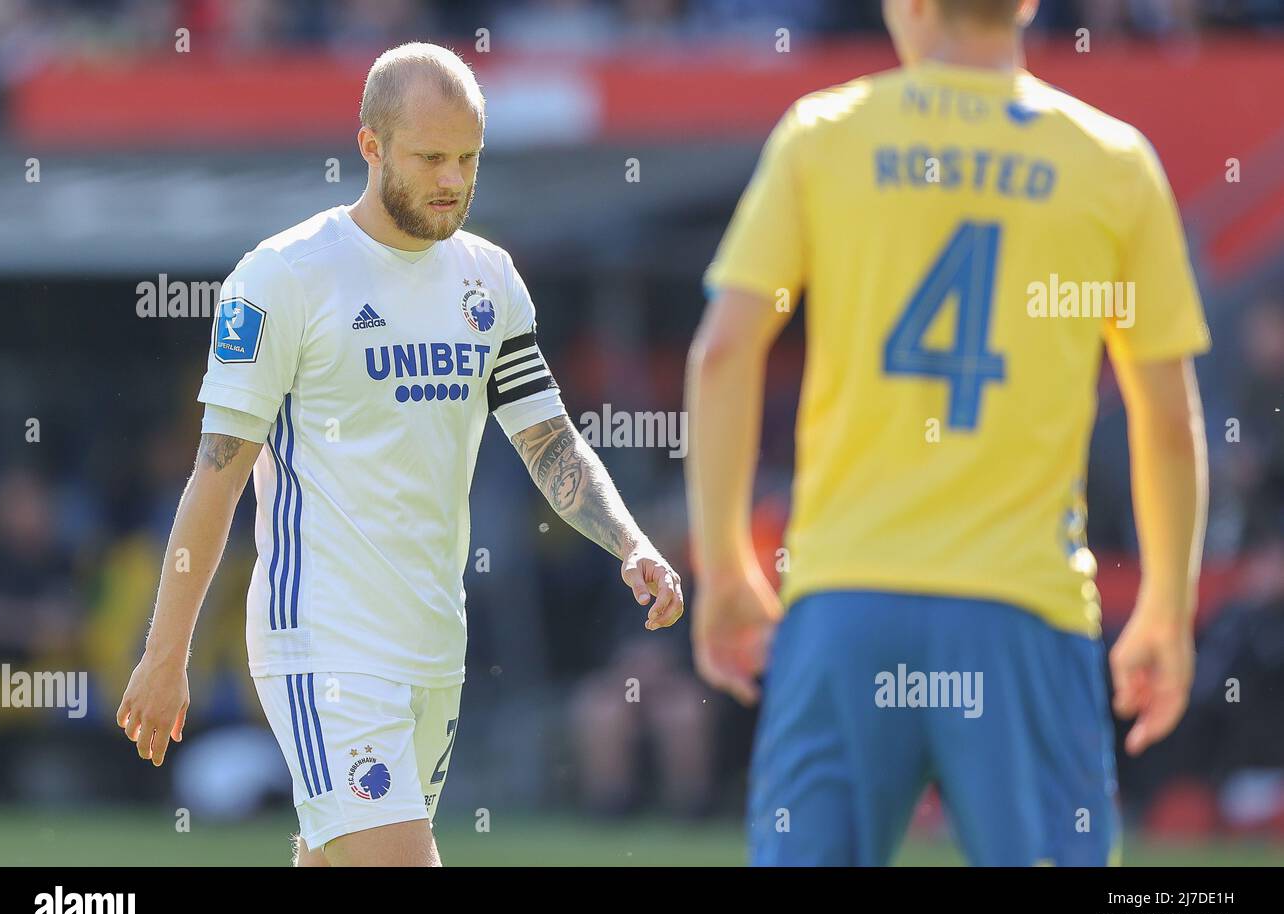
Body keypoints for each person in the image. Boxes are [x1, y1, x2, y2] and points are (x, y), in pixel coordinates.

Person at [116, 42, 683, 867]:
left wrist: (629, 541)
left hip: (432, 642)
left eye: (468, 158)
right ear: (371, 146)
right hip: (323, 644)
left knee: (335, 857)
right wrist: (164, 656)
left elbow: (548, 438)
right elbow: (217, 475)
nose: (451, 179)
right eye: (430, 157)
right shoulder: (282, 277)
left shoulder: (490, 280)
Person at [686, 0, 1209, 865]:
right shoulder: (1111, 161)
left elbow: (723, 354)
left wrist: (726, 564)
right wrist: (1166, 608)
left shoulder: (825, 135)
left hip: (845, 601)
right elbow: (1167, 419)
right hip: (1023, 608)